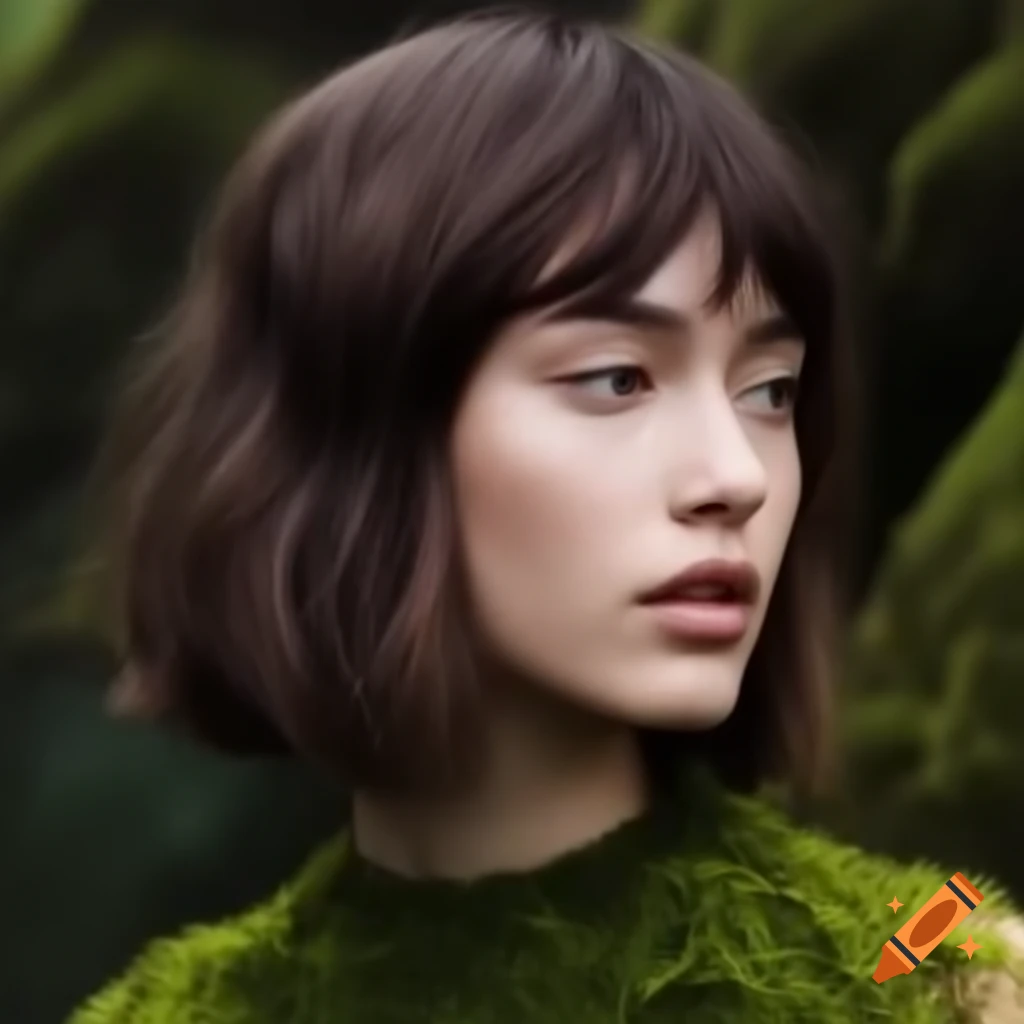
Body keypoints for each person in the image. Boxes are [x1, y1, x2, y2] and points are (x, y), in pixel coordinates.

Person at [69, 8, 1024, 1023]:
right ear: (359, 429)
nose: (734, 474)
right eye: (617, 378)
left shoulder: (934, 970)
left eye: (770, 392)